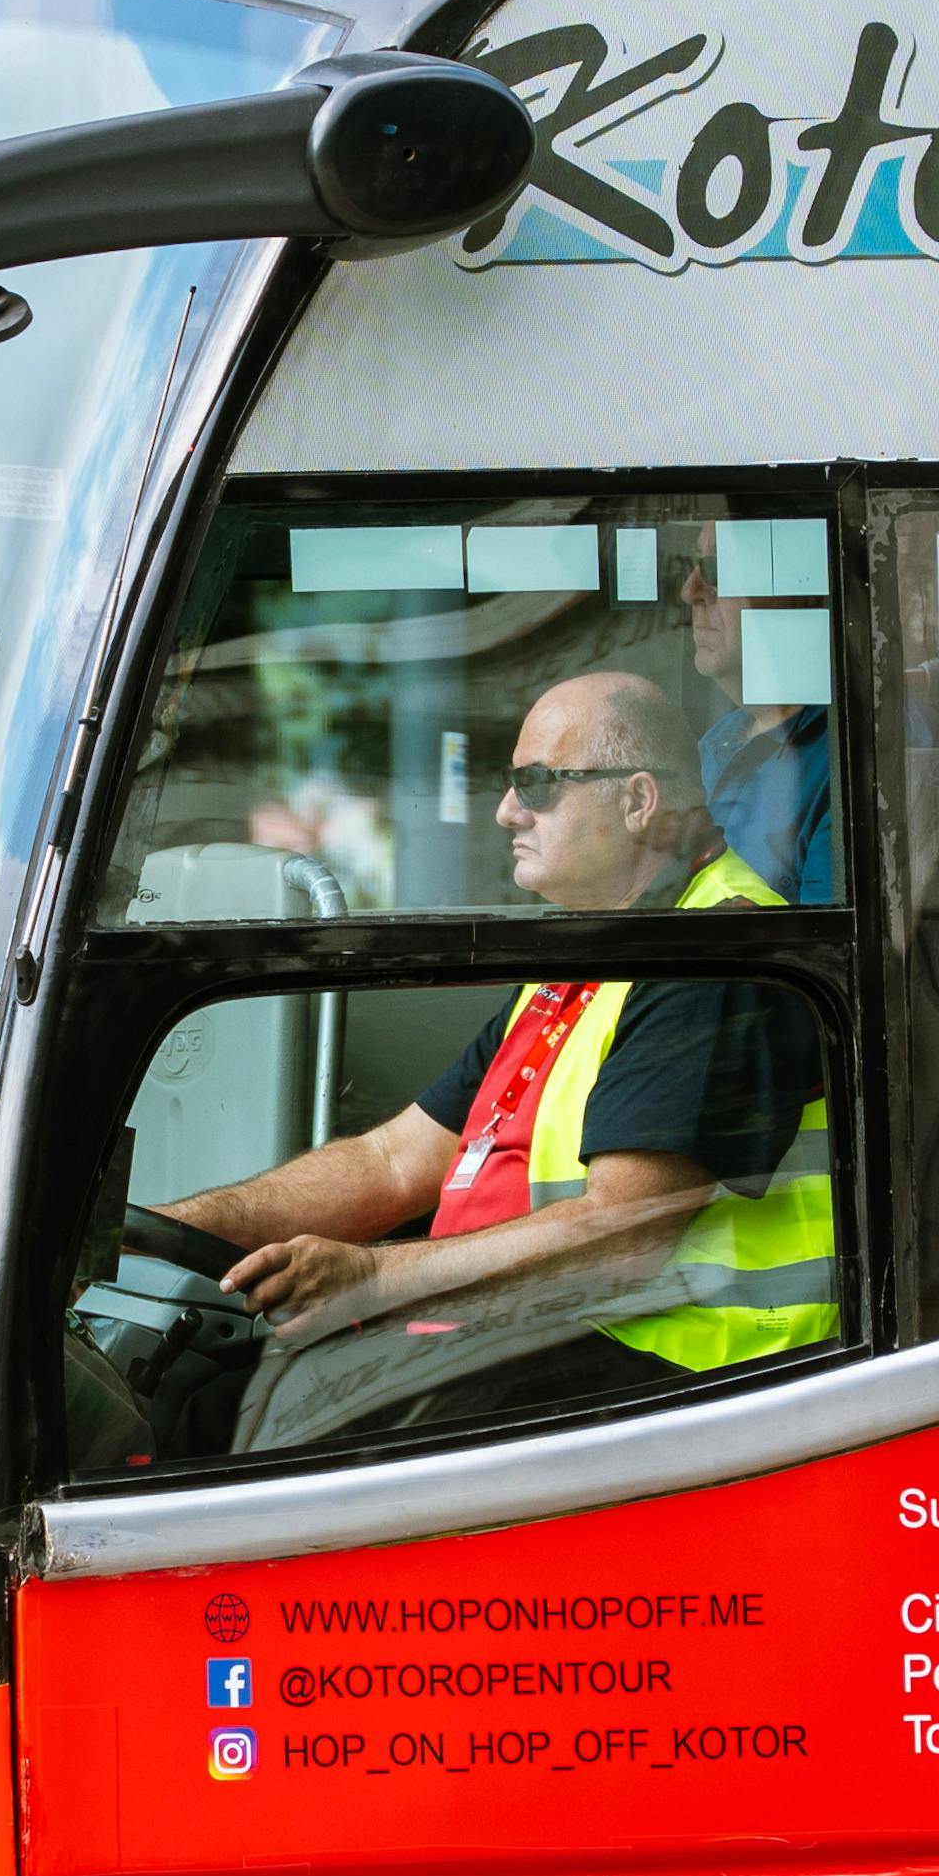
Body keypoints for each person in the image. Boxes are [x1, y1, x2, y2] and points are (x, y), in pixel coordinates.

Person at [150, 661, 830, 1410]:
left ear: (638, 801)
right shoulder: (593, 956)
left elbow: (623, 1237)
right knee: (200, 1393)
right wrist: (161, 1230)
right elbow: (394, 1160)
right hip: (536, 1338)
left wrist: (374, 1278)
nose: (506, 812)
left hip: (677, 1384)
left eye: (537, 784)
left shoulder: (714, 955)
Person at [668, 529, 836, 899]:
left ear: (796, 595)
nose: (690, 591)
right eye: (691, 565)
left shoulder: (845, 759)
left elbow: (826, 950)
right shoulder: (715, 742)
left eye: (718, 568)